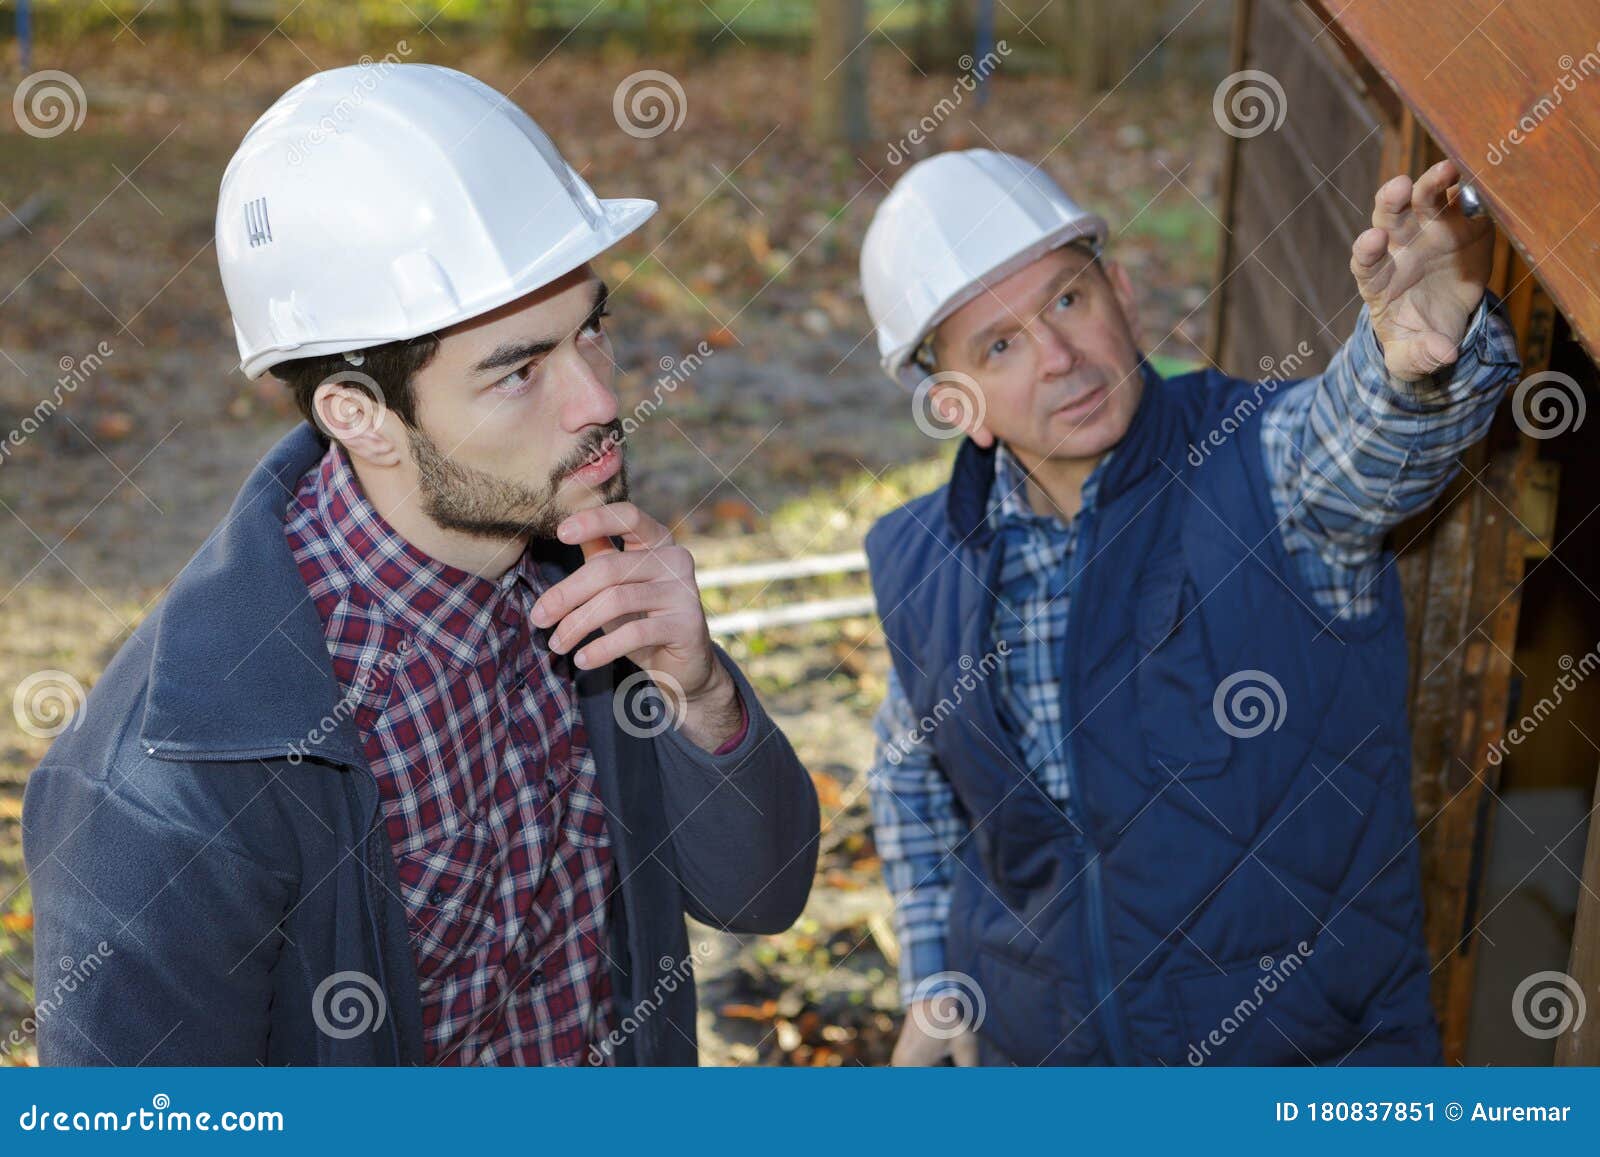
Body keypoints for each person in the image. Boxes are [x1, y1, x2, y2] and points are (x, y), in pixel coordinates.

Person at [23, 63, 818, 1067]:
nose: (598, 403)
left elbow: (762, 890)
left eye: (593, 332)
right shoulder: (165, 782)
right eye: (520, 369)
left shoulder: (580, 551)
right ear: (359, 415)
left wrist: (702, 695)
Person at [858, 148, 1521, 1065]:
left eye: (1066, 300)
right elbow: (913, 769)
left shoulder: (1260, 463)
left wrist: (1411, 363)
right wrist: (937, 984)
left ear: (1122, 295)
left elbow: (1363, 438)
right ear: (955, 403)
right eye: (1000, 345)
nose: (1059, 358)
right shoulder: (922, 560)